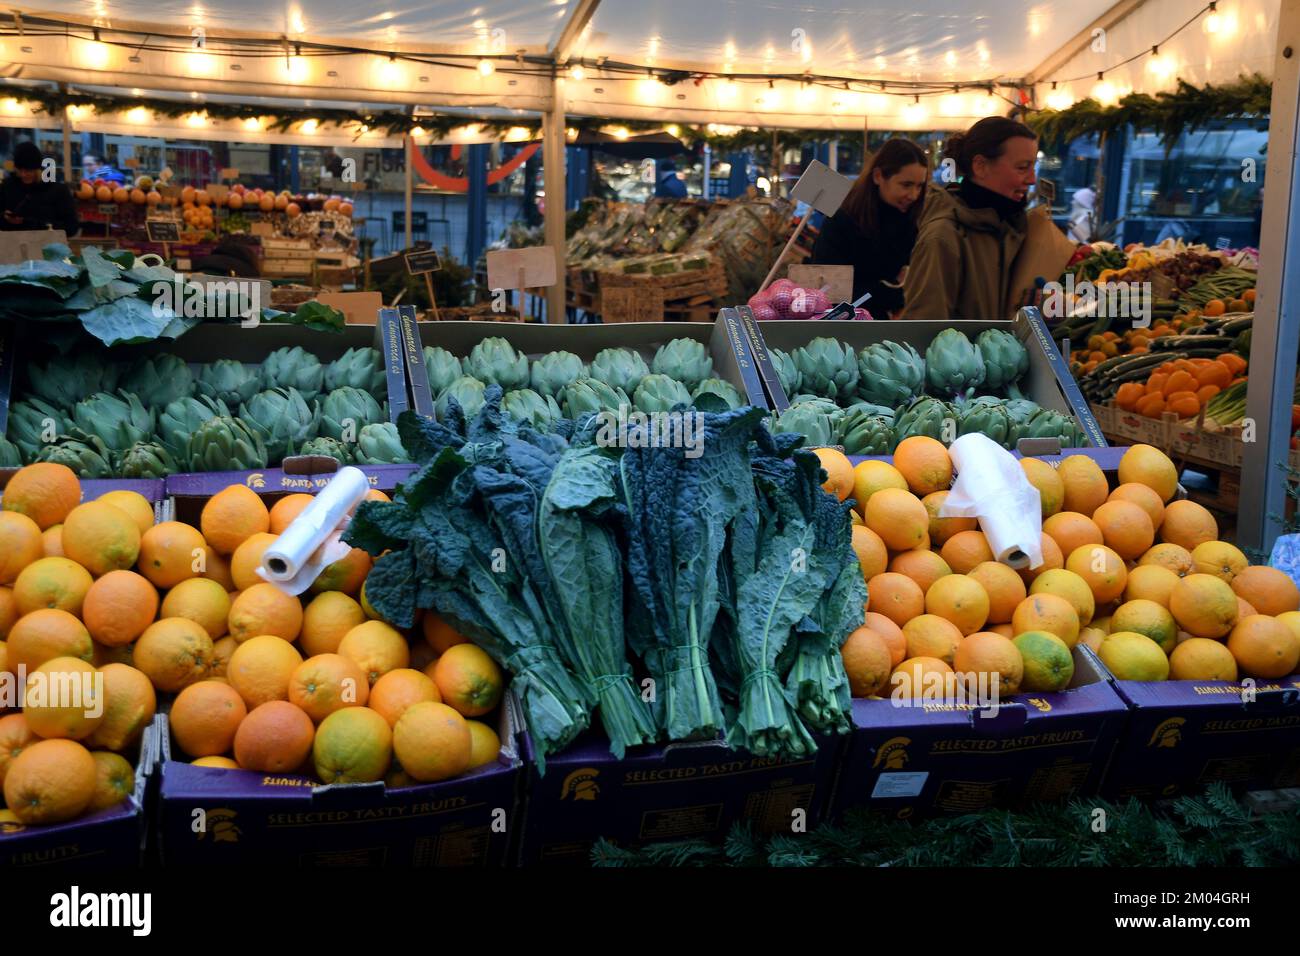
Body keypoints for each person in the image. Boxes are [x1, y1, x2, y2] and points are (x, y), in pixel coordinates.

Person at [903, 116, 1039, 320]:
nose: (1032, 179)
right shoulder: (943, 237)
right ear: (980, 166)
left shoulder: (1011, 228)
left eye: (1032, 167)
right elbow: (923, 329)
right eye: (1022, 167)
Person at [809, 137, 928, 316]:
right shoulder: (843, 220)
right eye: (906, 185)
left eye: (920, 186)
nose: (914, 195)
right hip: (847, 328)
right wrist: (889, 292)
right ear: (878, 176)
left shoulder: (917, 222)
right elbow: (827, 292)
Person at [1, 142, 79, 235]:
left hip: (47, 247)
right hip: (12, 246)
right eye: (19, 170)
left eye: (28, 170)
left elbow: (71, 227)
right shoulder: (7, 187)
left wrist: (31, 223)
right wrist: (4, 217)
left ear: (38, 169)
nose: (23, 174)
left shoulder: (57, 190)